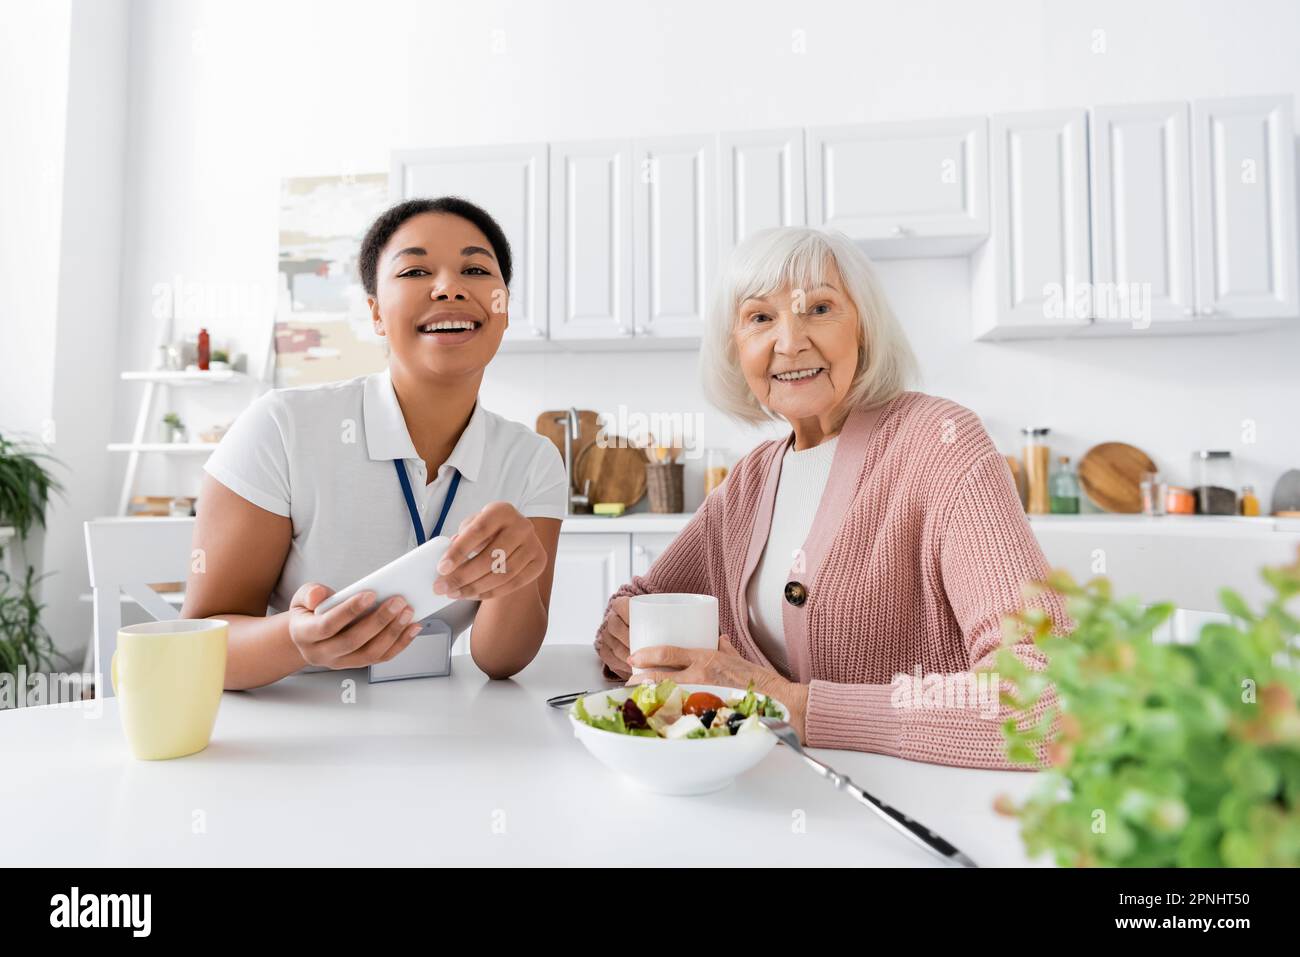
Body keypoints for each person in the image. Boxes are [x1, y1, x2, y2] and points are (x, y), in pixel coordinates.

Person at [593, 226, 1070, 770]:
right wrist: (621, 630)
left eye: (819, 308)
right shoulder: (750, 480)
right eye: (759, 318)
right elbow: (647, 595)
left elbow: (1050, 699)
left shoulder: (940, 443)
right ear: (736, 349)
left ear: (864, 328)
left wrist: (795, 706)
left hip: (925, 806)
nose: (790, 342)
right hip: (776, 798)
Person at [184, 197, 566, 688]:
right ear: (376, 313)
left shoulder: (533, 461)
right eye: (414, 272)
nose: (449, 287)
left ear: (503, 308)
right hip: (296, 732)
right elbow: (200, 644)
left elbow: (500, 660)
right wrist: (295, 640)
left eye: (474, 268)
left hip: (443, 730)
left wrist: (513, 581)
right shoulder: (282, 428)